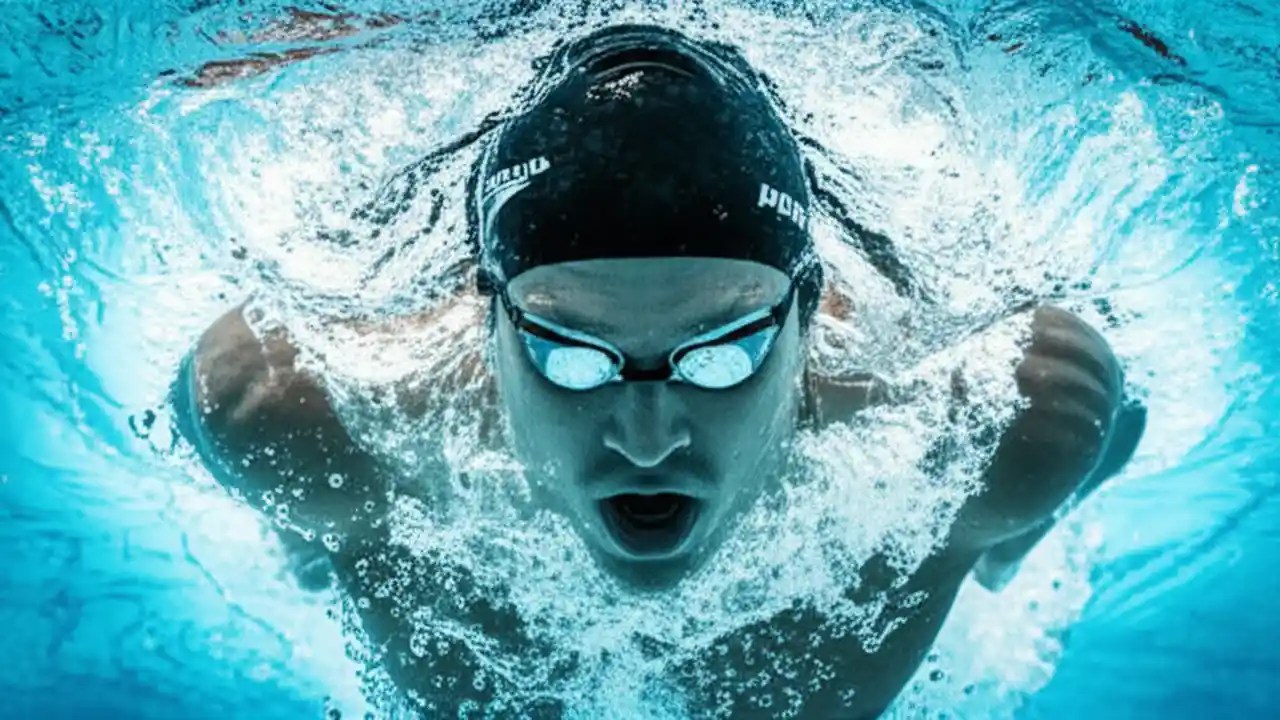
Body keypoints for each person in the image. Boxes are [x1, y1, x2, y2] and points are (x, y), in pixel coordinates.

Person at [173, 23, 1146, 719]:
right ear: (487, 314)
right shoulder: (288, 414)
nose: (646, 438)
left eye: (720, 355)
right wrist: (307, 536)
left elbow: (1102, 424)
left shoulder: (1013, 425)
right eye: (571, 355)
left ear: (808, 312)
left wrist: (1004, 540)